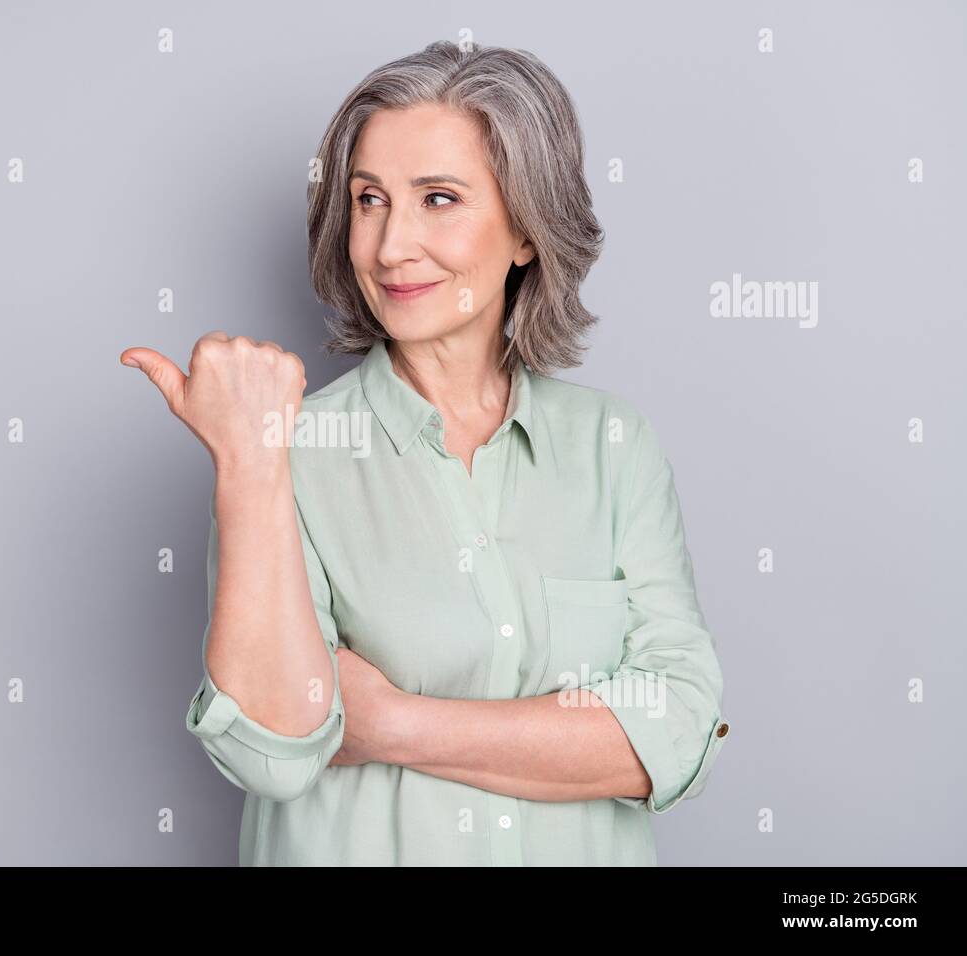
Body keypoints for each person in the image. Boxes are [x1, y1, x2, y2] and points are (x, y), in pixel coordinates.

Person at [121, 40, 729, 866]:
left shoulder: (614, 447)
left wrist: (391, 723)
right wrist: (250, 463)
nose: (390, 245)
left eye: (438, 198)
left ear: (525, 229)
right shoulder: (287, 454)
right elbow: (272, 750)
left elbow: (678, 732)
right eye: (369, 200)